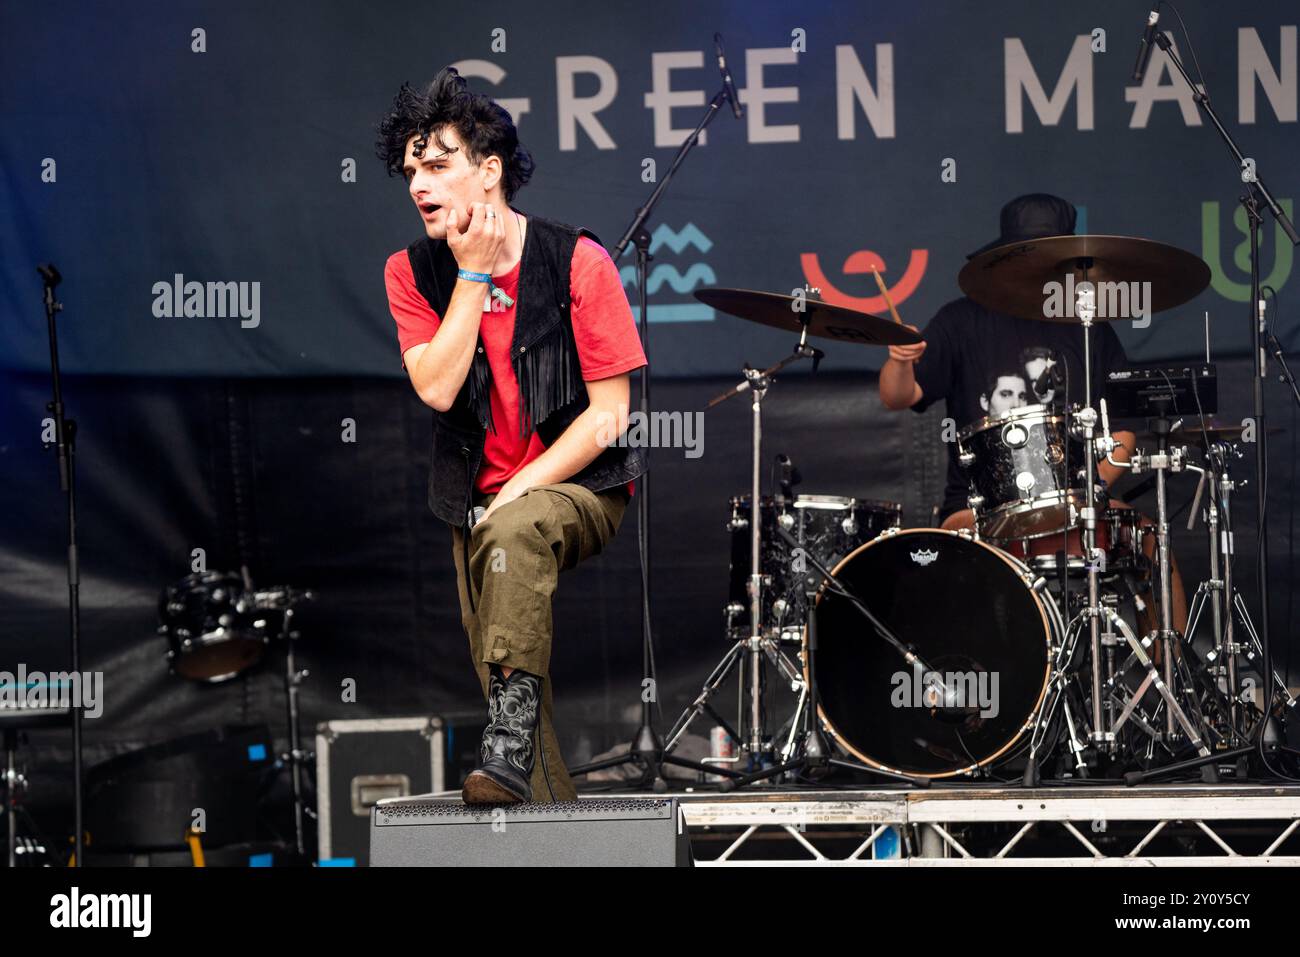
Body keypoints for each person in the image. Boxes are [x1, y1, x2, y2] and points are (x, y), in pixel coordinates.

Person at [377, 68, 647, 804]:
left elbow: (609, 415)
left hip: (576, 488)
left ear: (489, 170)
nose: (417, 184)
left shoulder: (577, 262)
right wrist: (469, 278)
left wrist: (524, 486)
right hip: (475, 507)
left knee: (519, 530)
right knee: (512, 712)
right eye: (410, 170)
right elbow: (434, 385)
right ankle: (557, 827)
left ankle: (507, 738)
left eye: (437, 165)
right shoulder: (412, 273)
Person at [878, 193, 1186, 631]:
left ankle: (1165, 683)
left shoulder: (1089, 327)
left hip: (1079, 506)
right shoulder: (961, 321)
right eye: (1026, 255)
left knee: (1155, 539)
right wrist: (900, 360)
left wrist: (1081, 497)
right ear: (1003, 257)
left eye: (1049, 256)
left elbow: (1124, 436)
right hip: (978, 510)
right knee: (941, 563)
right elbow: (896, 396)